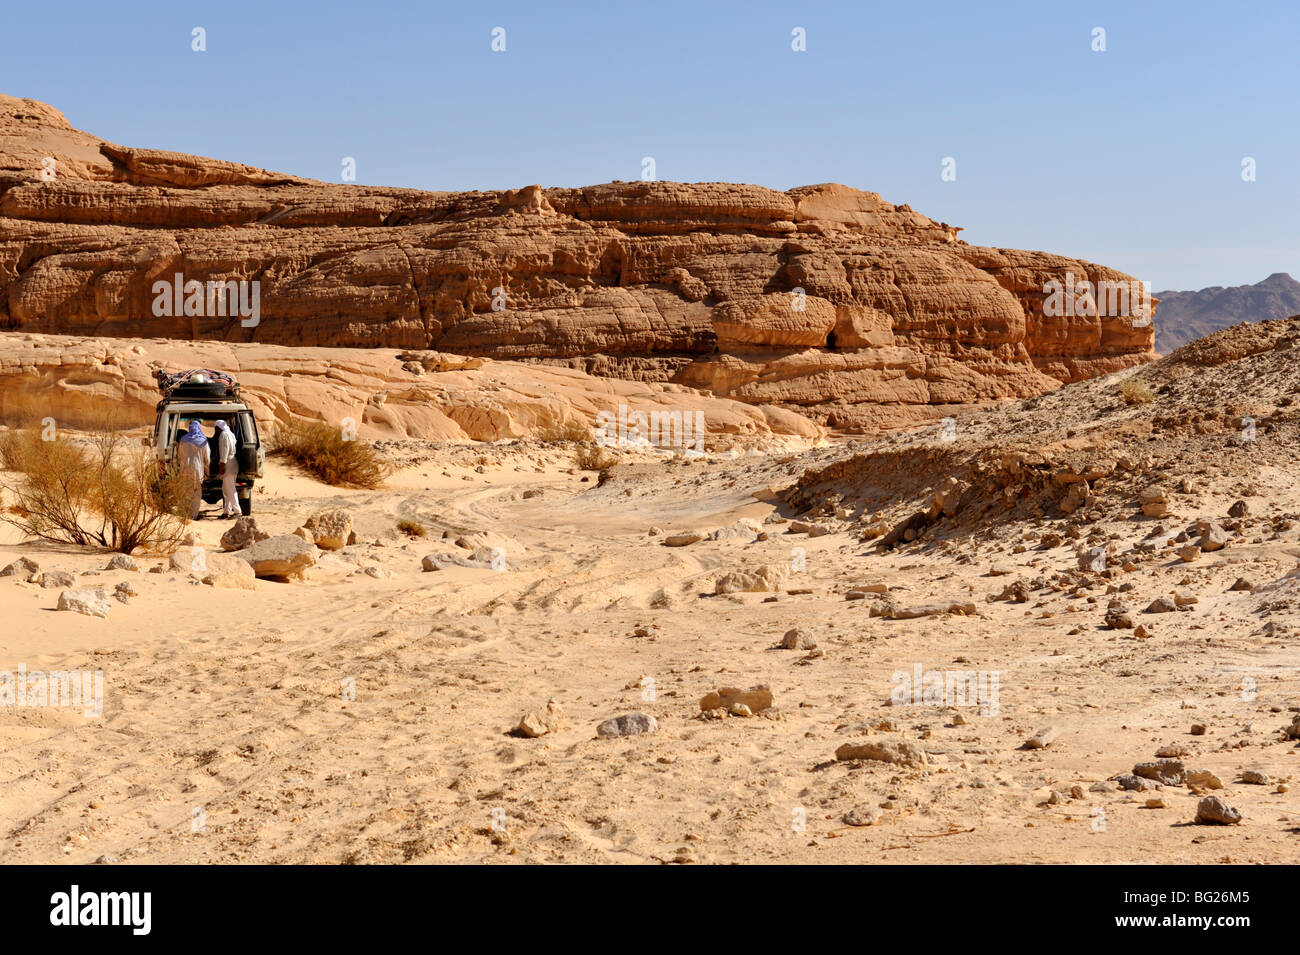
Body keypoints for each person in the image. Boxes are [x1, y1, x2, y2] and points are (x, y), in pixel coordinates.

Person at [177, 420, 210, 520]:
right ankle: (193, 515)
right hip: (198, 470)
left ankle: (184, 514)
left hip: (185, 469)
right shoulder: (203, 441)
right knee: (197, 493)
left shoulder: (183, 440)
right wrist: (207, 472)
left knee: (186, 492)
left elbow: (179, 456)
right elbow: (207, 459)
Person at [214, 419, 240, 519]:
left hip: (227, 463)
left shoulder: (223, 435)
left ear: (218, 428)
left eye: (215, 428)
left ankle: (237, 512)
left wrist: (222, 464)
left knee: (230, 489)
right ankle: (226, 512)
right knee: (226, 489)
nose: (215, 431)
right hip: (233, 462)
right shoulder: (231, 434)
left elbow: (224, 450)